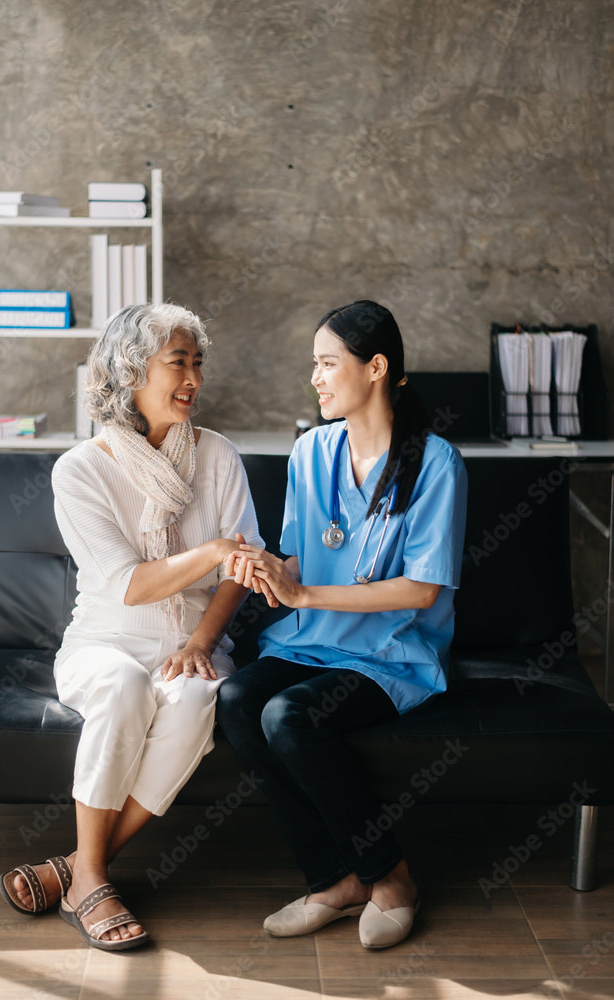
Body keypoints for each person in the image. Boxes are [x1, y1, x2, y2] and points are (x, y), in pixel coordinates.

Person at [0, 303, 265, 951]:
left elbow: (243, 566)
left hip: (191, 647)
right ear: (129, 370)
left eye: (198, 362)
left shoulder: (218, 455)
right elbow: (129, 584)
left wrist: (202, 641)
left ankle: (79, 870)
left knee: (200, 697)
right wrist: (208, 552)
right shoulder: (81, 470)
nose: (193, 378)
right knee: (121, 687)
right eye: (178, 362)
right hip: (106, 644)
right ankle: (91, 877)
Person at [216, 299, 468, 950]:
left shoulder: (436, 462)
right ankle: (335, 879)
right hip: (313, 640)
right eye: (315, 365)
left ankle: (391, 877)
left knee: (288, 717)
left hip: (391, 652)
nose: (316, 378)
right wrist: (266, 568)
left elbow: (421, 587)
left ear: (376, 367)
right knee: (239, 699)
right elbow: (300, 556)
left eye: (328, 363)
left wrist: (305, 595)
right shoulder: (310, 452)